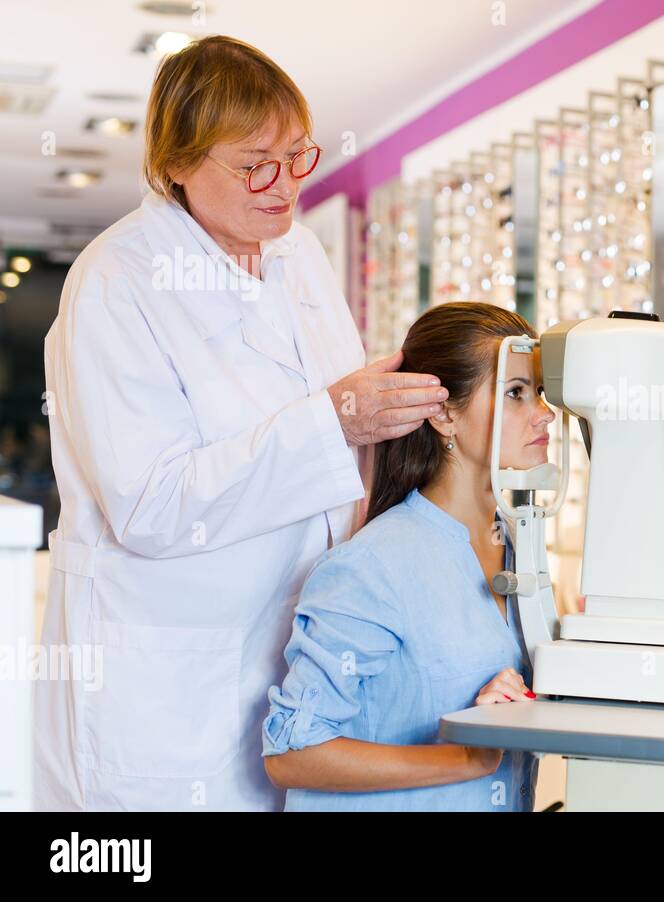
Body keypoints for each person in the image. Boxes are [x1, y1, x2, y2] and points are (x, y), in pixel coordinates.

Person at [37, 36, 448, 810]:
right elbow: (151, 505)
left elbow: (339, 442)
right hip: (167, 685)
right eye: (256, 162)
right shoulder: (117, 283)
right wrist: (335, 423)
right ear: (179, 163)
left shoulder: (300, 255)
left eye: (298, 156)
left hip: (292, 657)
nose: (285, 185)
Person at [261, 302, 550, 810]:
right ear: (443, 414)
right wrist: (465, 759)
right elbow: (292, 752)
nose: (544, 414)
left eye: (541, 394)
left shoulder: (522, 551)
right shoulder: (375, 566)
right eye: (515, 394)